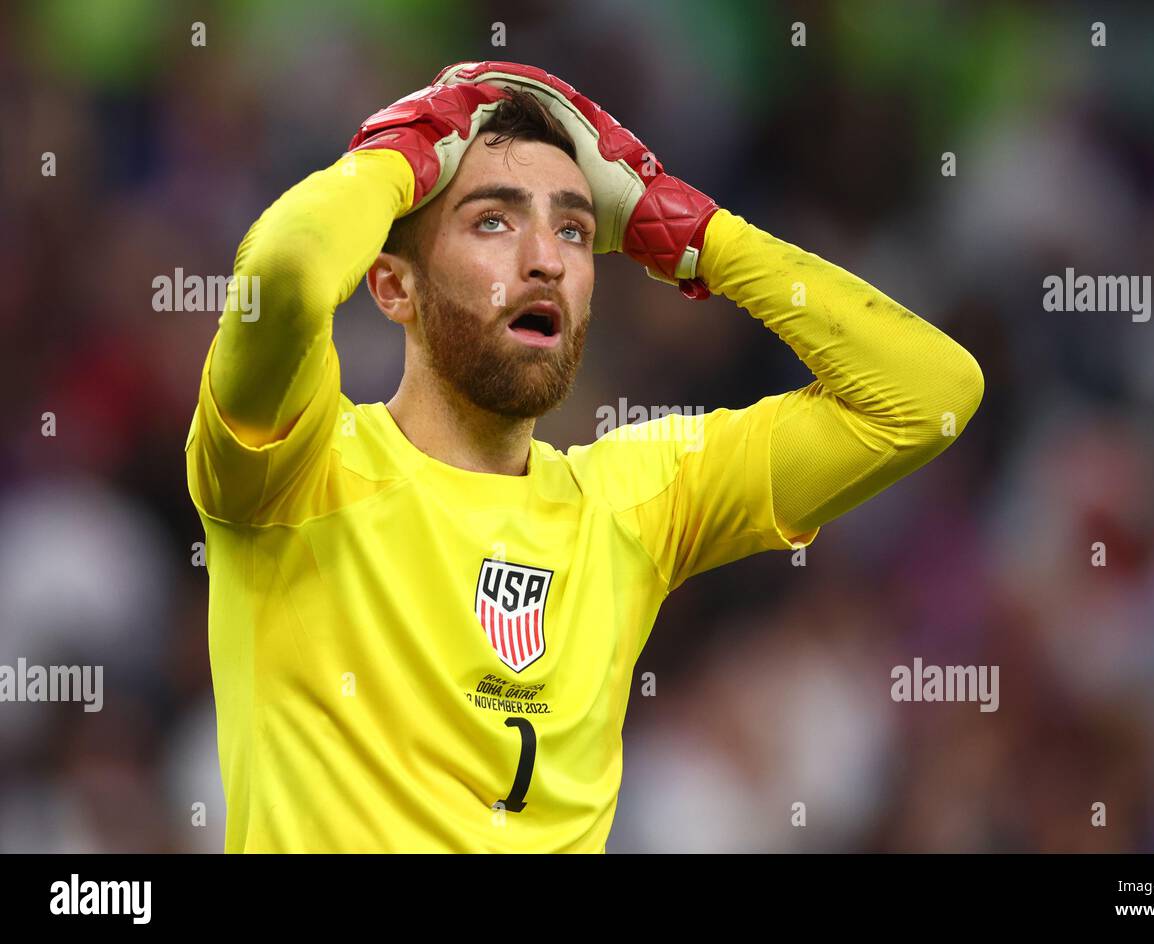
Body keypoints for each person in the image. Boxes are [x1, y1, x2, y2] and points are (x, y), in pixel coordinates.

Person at [184, 61, 984, 852]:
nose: (547, 260)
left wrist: (700, 237)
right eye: (492, 221)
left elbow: (928, 395)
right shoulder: (296, 467)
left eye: (573, 227)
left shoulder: (632, 502)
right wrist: (401, 157)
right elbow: (284, 276)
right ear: (393, 287)